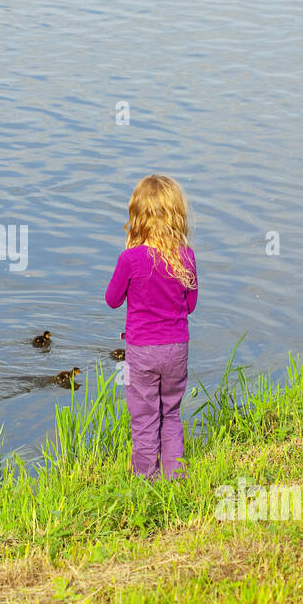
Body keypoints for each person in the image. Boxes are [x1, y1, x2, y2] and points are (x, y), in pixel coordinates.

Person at [105, 175, 198, 478]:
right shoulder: (186, 257)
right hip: (176, 349)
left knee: (144, 418)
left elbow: (112, 300)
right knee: (170, 412)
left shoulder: (130, 259)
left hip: (143, 351)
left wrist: (129, 254)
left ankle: (146, 480)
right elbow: (190, 306)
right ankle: (175, 476)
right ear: (176, 215)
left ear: (136, 217)